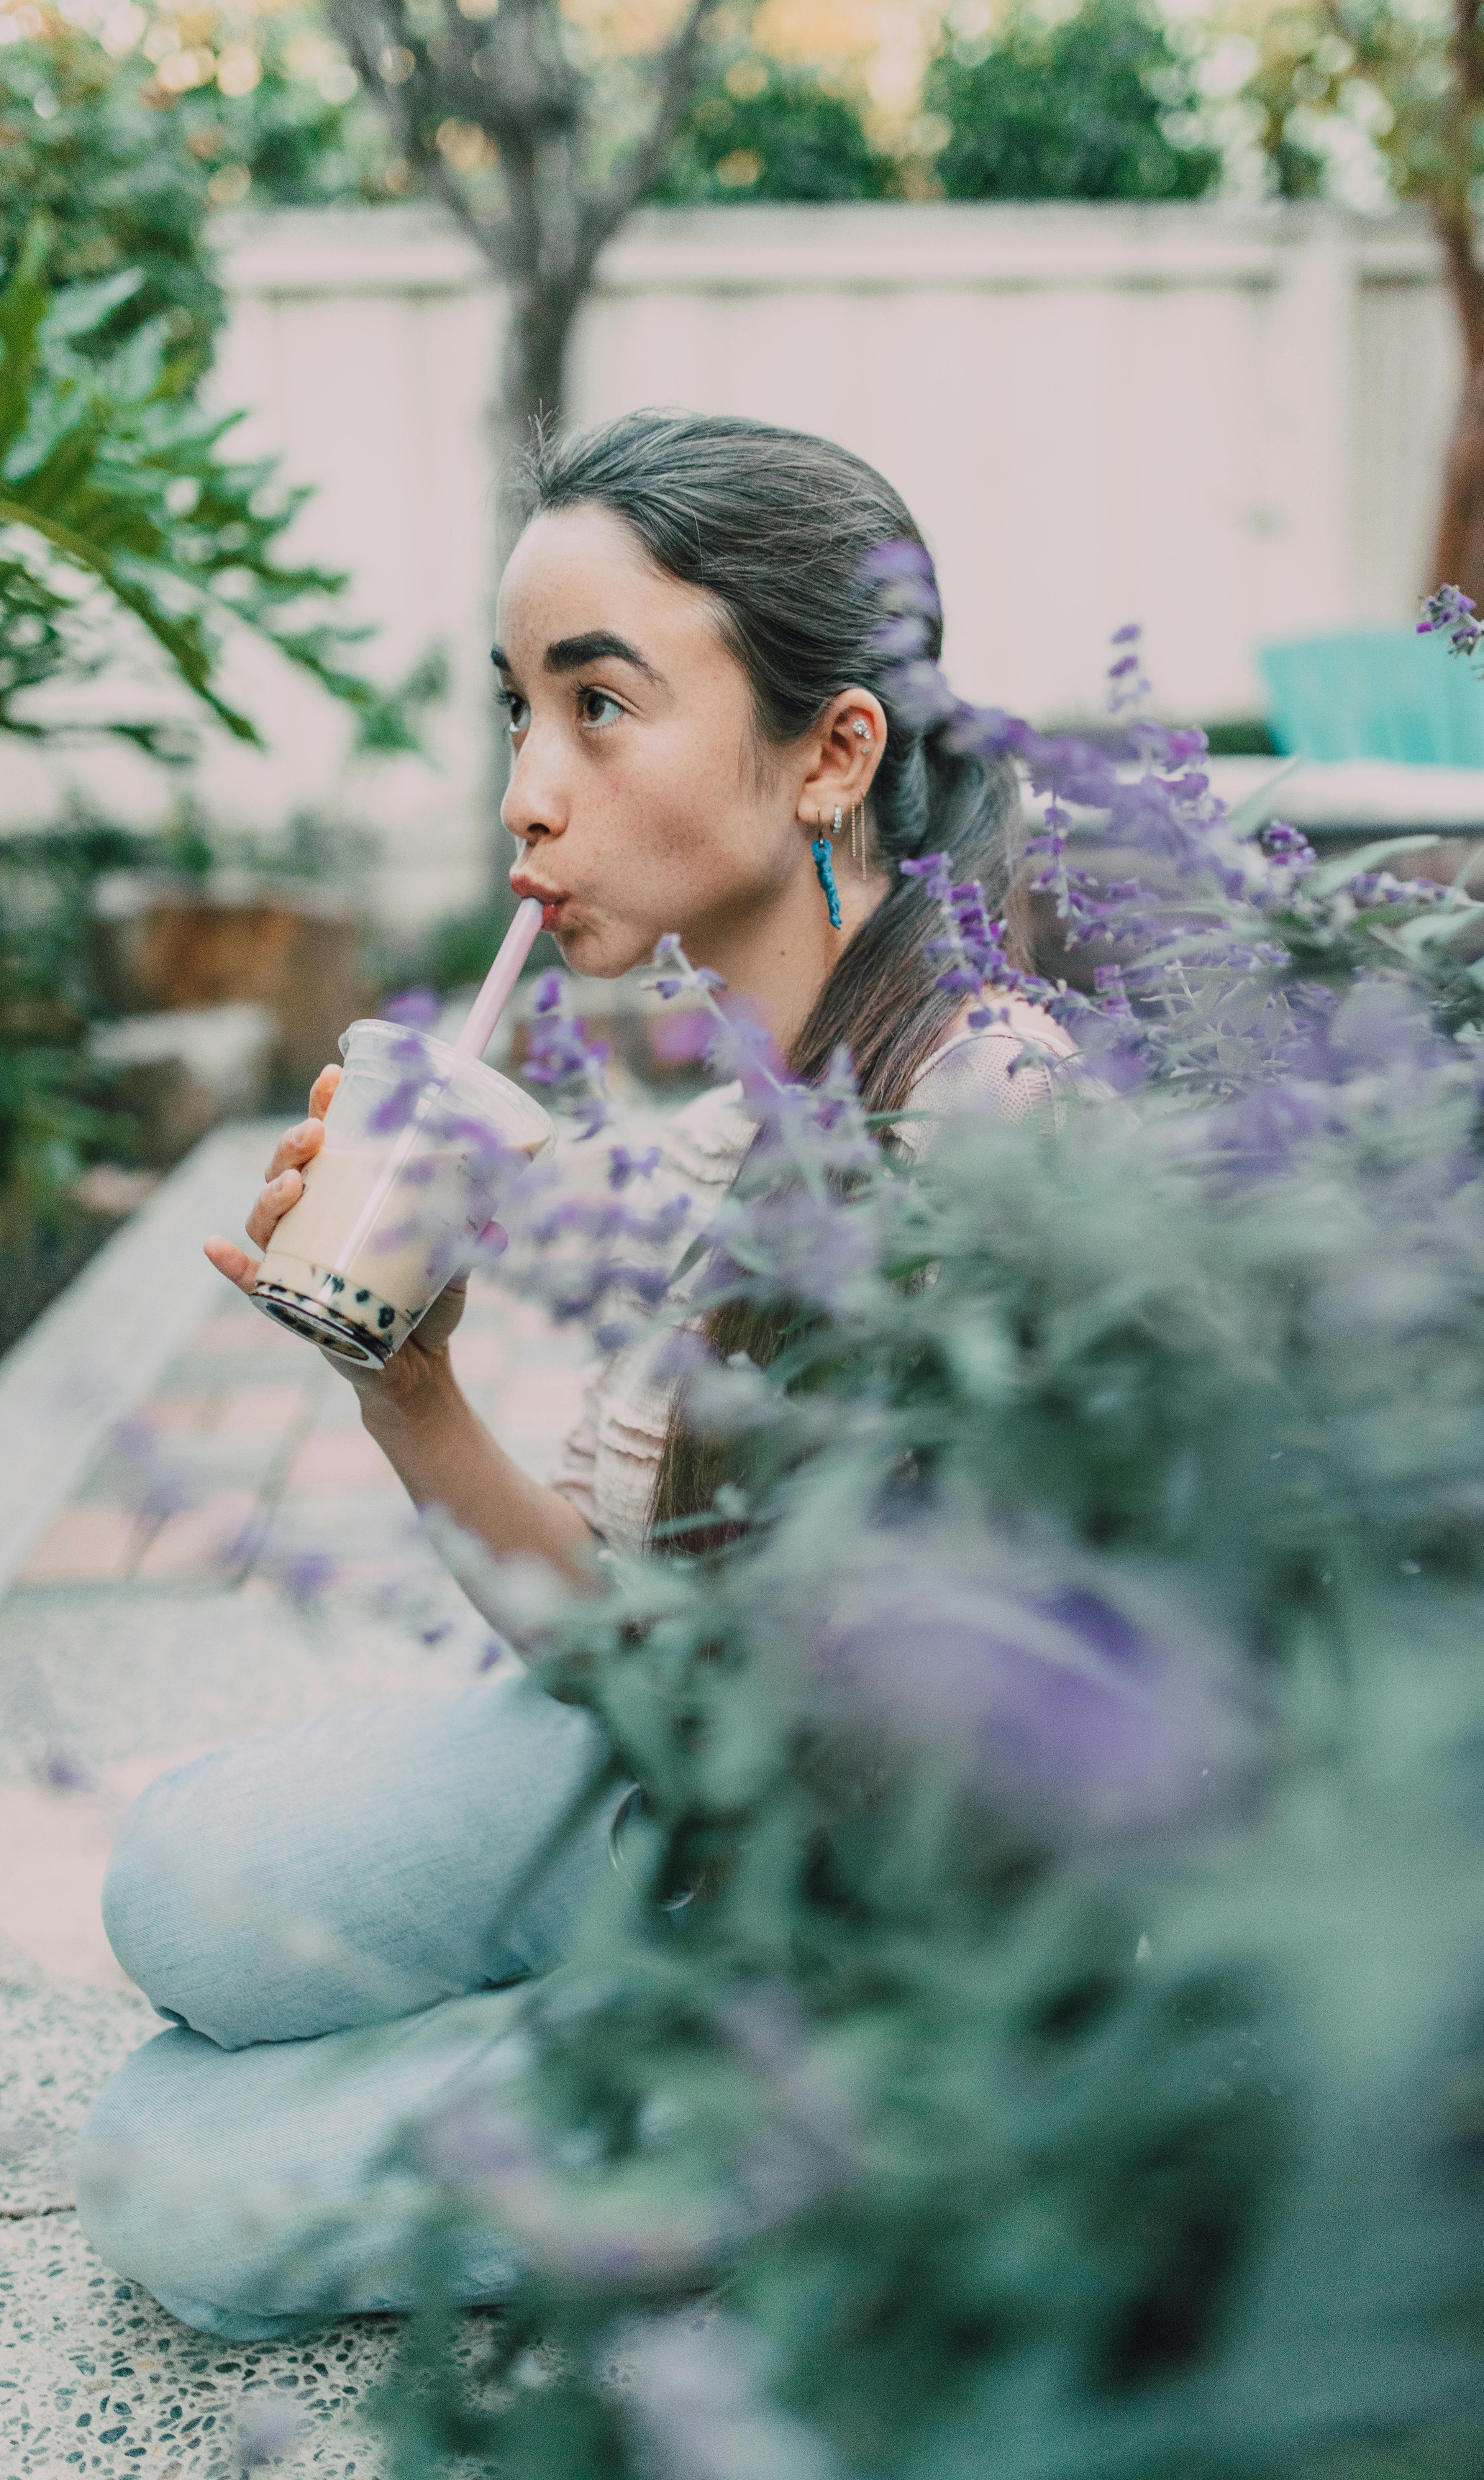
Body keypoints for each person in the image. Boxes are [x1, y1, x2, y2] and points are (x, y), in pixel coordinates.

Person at [74, 410, 1077, 2339]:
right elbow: (643, 1660)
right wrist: (410, 1385)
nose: (526, 791)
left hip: (874, 1944)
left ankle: (759, 2164)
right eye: (514, 711)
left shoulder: (990, 1111)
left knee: (171, 2179)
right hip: (694, 1788)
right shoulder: (746, 1108)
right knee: (175, 1881)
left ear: (828, 751)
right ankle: (558, 2063)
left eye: (598, 706)